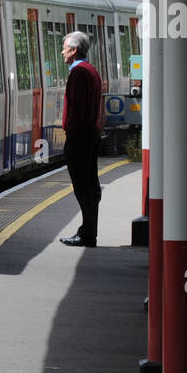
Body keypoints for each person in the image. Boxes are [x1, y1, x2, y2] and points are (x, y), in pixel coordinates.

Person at [59, 31, 103, 247]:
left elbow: (76, 108)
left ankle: (87, 234)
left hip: (80, 137)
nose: (62, 52)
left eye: (65, 48)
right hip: (92, 134)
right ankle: (88, 231)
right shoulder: (92, 71)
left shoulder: (78, 73)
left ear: (74, 51)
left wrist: (70, 130)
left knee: (83, 187)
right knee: (91, 186)